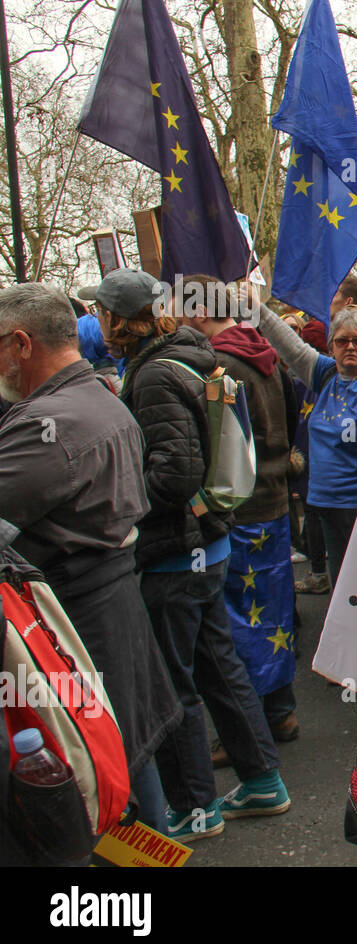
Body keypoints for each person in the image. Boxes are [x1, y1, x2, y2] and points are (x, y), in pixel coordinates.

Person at [93, 268, 290, 841]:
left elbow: (173, 474)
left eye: (102, 312)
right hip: (212, 543)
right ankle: (262, 781)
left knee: (174, 680)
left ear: (119, 320)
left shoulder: (153, 374)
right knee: (218, 667)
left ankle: (194, 806)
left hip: (176, 552)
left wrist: (118, 508)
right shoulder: (194, 354)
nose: (99, 322)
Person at [0, 282, 181, 830]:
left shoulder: (48, 424)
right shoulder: (97, 396)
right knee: (124, 747)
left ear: (22, 344)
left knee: (92, 767)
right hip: (109, 604)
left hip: (72, 620)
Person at [171, 275, 301, 755]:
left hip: (239, 507)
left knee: (238, 620)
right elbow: (290, 420)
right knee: (274, 611)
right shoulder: (267, 355)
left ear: (200, 312)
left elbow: (218, 447)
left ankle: (248, 728)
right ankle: (280, 710)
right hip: (273, 500)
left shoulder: (218, 366)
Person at [252, 301, 357, 591]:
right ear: (331, 346)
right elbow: (287, 343)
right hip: (325, 504)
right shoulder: (324, 375)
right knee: (341, 587)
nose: (350, 347)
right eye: (342, 341)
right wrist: (256, 309)